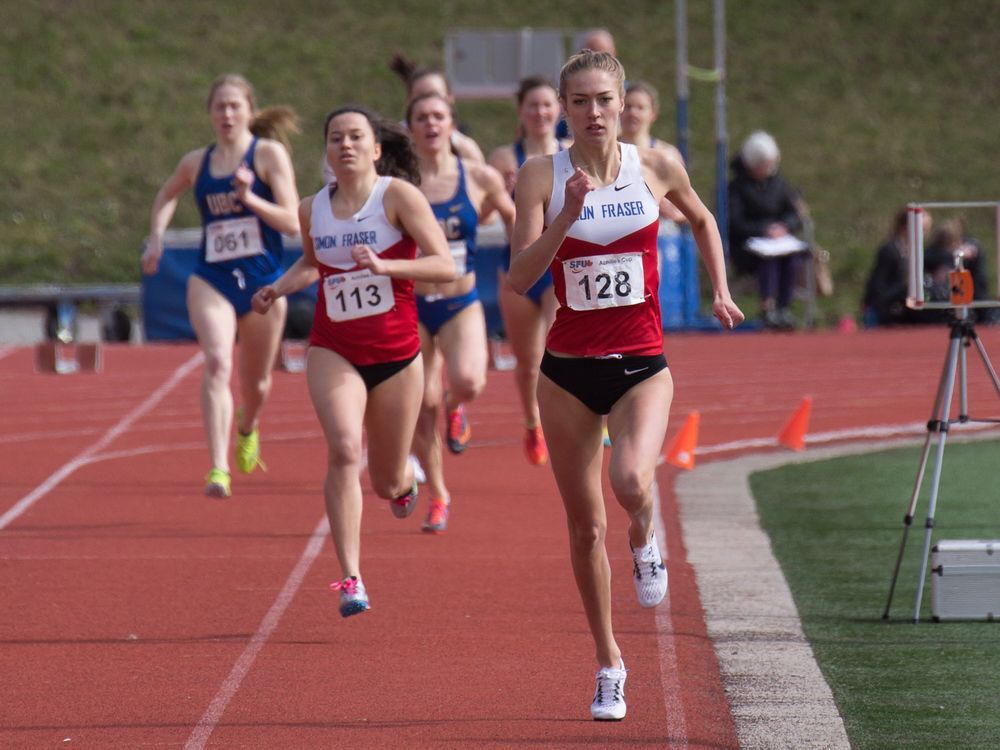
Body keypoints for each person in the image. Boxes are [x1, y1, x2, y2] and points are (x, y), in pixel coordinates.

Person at [508, 50, 743, 722]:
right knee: (585, 528)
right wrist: (564, 217)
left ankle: (644, 536)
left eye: (604, 99)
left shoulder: (655, 166)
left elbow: (702, 219)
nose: (593, 112)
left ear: (622, 103)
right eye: (579, 101)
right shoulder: (540, 175)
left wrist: (720, 290)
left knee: (632, 481)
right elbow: (519, 278)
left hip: (641, 363)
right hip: (567, 373)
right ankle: (609, 662)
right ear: (563, 109)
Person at [251, 106, 454, 617]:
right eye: (336, 137)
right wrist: (277, 288)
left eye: (356, 136)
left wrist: (386, 266)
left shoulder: (398, 197)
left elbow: (444, 265)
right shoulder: (312, 209)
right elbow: (311, 263)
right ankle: (351, 577)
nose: (345, 145)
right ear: (326, 150)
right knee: (343, 448)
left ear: (376, 149)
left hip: (397, 355)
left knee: (385, 481)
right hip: (333, 348)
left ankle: (404, 480)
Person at [141, 74, 301, 499]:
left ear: (250, 111)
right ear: (210, 114)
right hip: (211, 279)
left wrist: (250, 199)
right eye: (220, 107)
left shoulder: (267, 155)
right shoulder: (197, 162)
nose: (227, 114)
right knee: (216, 362)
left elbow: (292, 222)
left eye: (235, 106)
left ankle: (248, 426)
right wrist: (156, 237)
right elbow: (166, 195)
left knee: (257, 383)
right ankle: (218, 468)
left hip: (264, 283)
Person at [406, 92, 516, 532]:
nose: (431, 124)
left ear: (452, 125)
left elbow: (515, 216)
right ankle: (438, 495)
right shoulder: (397, 182)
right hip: (411, 304)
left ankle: (457, 405)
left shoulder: (477, 176)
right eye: (422, 117)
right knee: (422, 403)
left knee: (469, 381)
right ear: (410, 128)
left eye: (439, 116)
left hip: (459, 302)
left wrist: (528, 254)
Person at [487, 76, 565, 466]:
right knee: (527, 361)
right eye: (532, 105)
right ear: (520, 111)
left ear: (559, 109)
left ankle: (577, 418)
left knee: (560, 348)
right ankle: (532, 421)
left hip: (559, 266)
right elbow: (485, 211)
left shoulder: (571, 152)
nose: (540, 112)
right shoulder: (505, 158)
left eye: (547, 104)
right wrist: (506, 194)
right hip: (517, 264)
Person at [727, 130, 805, 330]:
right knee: (768, 260)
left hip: (780, 243)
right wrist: (763, 230)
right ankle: (767, 308)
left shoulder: (779, 182)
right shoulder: (736, 188)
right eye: (764, 165)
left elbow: (794, 213)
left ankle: (784, 307)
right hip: (747, 247)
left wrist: (784, 226)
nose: (769, 169)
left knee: (792, 259)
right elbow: (734, 222)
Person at [388, 53, 485, 163]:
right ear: (409, 101)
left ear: (450, 99)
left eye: (435, 96)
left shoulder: (466, 150)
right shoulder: (392, 145)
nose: (428, 104)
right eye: (420, 97)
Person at [620, 81, 686, 223]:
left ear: (653, 114)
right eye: (628, 106)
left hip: (662, 231)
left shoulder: (668, 154)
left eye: (640, 108)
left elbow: (686, 209)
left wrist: (672, 213)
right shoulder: (605, 150)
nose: (633, 113)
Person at [862, 207, 931, 327]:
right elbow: (877, 287)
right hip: (882, 311)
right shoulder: (890, 251)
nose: (925, 235)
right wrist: (905, 287)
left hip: (900, 310)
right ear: (906, 227)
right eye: (922, 230)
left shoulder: (914, 252)